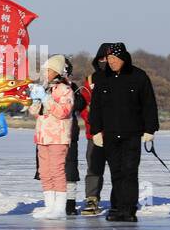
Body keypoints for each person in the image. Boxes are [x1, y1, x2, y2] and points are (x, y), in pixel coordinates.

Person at [89, 42, 158, 223]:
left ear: (123, 59)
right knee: (116, 172)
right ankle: (117, 207)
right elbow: (95, 108)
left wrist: (150, 129)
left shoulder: (139, 76)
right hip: (110, 134)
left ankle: (129, 209)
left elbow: (149, 104)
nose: (110, 62)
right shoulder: (102, 78)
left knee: (129, 171)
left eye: (114, 58)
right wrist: (95, 130)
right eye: (109, 58)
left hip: (132, 133)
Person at [27, 54, 76, 220]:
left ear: (57, 72)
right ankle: (49, 206)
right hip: (42, 137)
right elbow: (34, 113)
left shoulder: (65, 90)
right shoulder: (46, 88)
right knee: (45, 172)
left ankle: (60, 208)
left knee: (57, 171)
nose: (45, 73)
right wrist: (34, 100)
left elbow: (63, 112)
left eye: (48, 70)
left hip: (58, 137)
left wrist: (46, 98)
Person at [81, 43, 111, 216]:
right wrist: (93, 122)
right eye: (102, 58)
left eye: (108, 58)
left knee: (120, 169)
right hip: (95, 134)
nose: (105, 61)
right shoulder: (91, 80)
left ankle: (121, 200)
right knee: (94, 168)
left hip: (117, 132)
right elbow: (84, 105)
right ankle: (91, 199)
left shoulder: (123, 78)